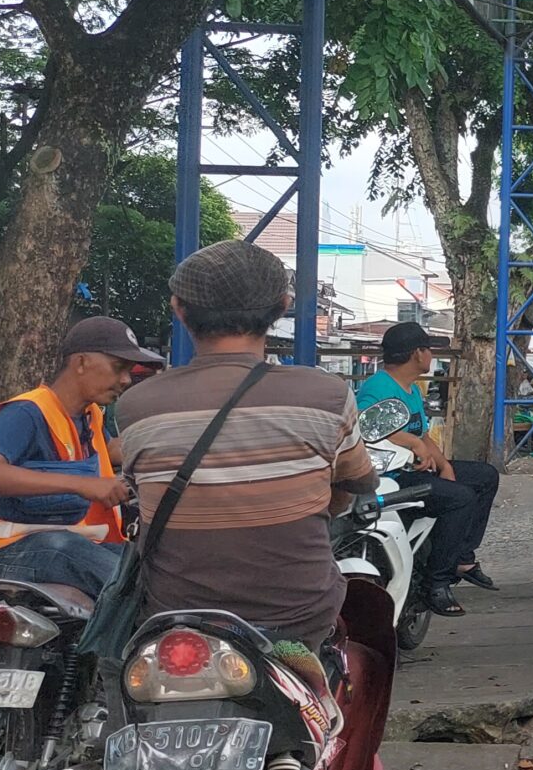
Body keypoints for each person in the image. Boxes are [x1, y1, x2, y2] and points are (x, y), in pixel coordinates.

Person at [116, 242, 379, 652]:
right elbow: (353, 484)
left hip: (176, 619)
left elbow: (139, 493)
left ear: (179, 308)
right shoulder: (326, 396)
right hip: (298, 617)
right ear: (283, 306)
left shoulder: (136, 407)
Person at [0, 315, 164, 594]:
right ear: (82, 362)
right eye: (118, 368)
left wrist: (173, 446)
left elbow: (111, 450)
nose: (126, 379)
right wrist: (83, 485)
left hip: (48, 547)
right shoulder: (27, 412)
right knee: (120, 579)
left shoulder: (87, 416)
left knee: (143, 563)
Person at [355, 323, 501, 617]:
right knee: (459, 498)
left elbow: (421, 435)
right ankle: (436, 583)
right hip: (391, 477)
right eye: (428, 349)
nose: (431, 355)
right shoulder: (378, 388)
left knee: (485, 477)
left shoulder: (410, 388)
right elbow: (363, 426)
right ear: (416, 353)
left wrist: (445, 464)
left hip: (417, 468)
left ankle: (462, 556)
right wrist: (411, 443)